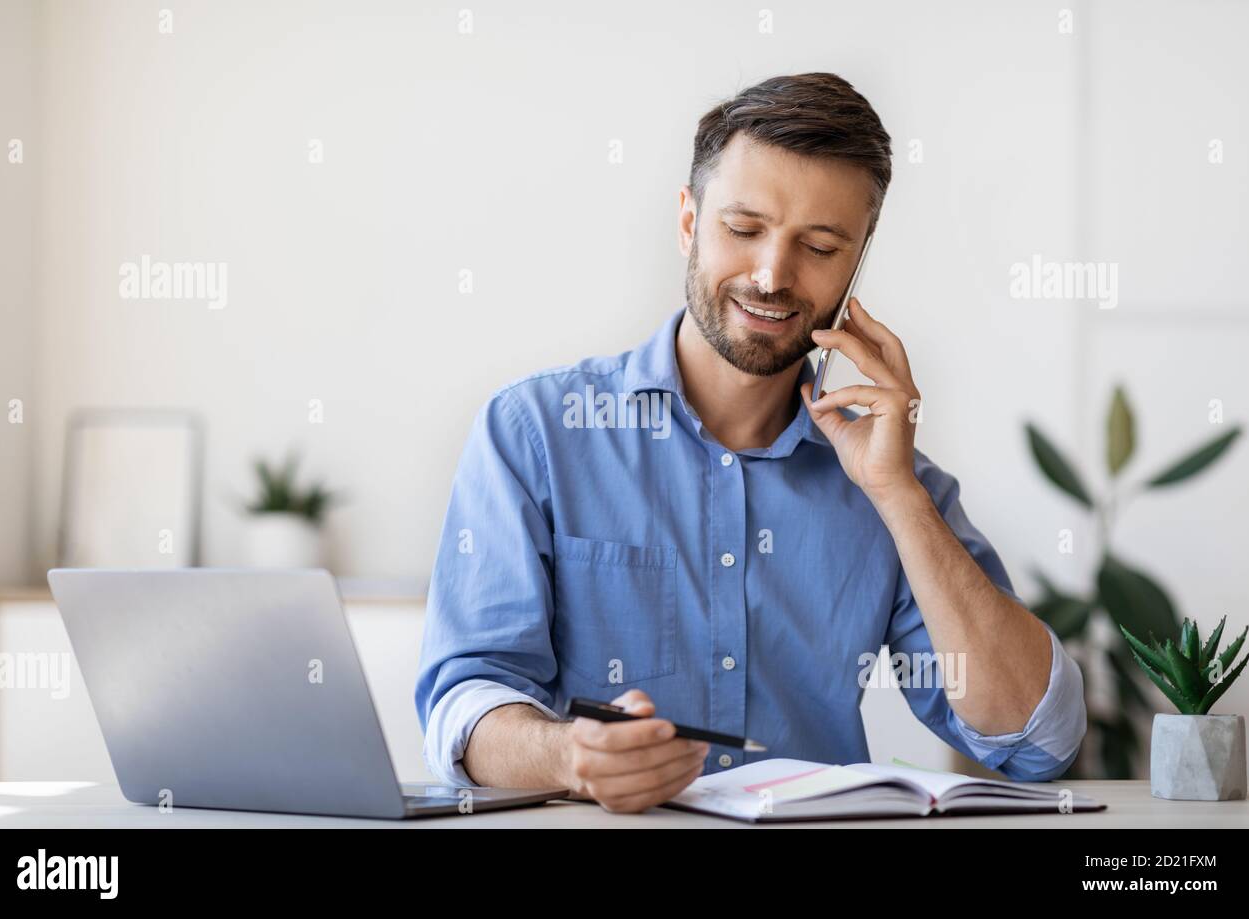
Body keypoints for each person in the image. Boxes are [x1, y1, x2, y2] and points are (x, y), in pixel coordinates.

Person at [415, 72, 1086, 814]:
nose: (772, 275)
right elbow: (463, 706)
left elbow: (1034, 739)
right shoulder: (534, 433)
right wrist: (570, 755)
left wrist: (899, 498)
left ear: (857, 263)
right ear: (687, 222)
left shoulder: (890, 482)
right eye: (743, 230)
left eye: (821, 246)